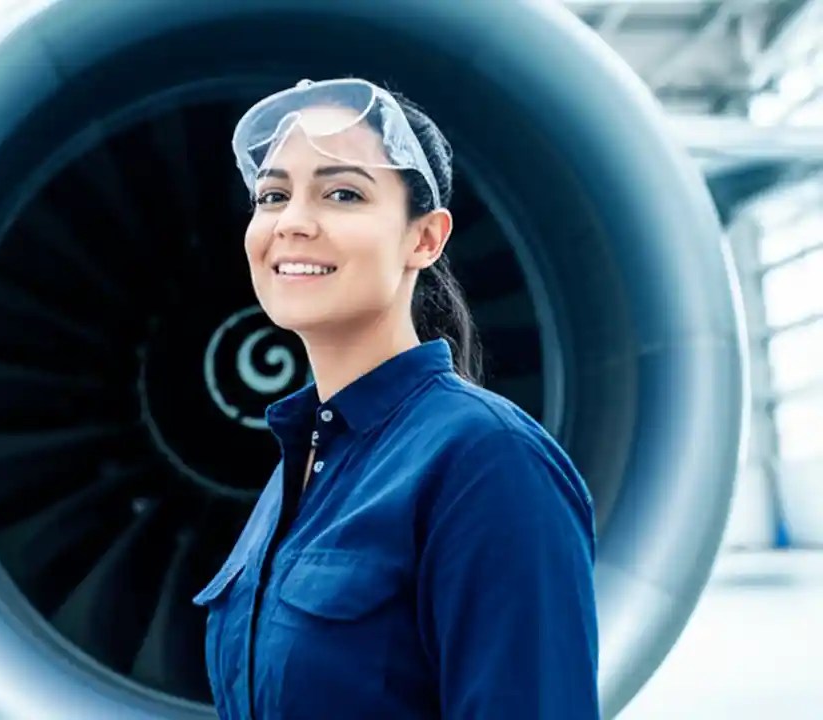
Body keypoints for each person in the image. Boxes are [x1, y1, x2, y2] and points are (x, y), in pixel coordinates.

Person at [191, 78, 600, 719]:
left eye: (343, 192)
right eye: (272, 195)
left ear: (425, 239)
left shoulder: (489, 461)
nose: (292, 221)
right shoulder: (299, 467)